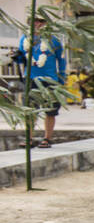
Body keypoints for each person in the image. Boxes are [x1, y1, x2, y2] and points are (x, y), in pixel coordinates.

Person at [15, 16, 66, 148]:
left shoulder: (53, 40)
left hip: (49, 79)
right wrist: (16, 58)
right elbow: (23, 58)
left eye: (40, 21)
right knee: (30, 110)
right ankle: (29, 138)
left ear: (45, 23)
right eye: (34, 21)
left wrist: (62, 77)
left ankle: (47, 138)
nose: (37, 24)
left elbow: (61, 59)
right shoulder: (25, 39)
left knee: (50, 110)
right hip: (30, 78)